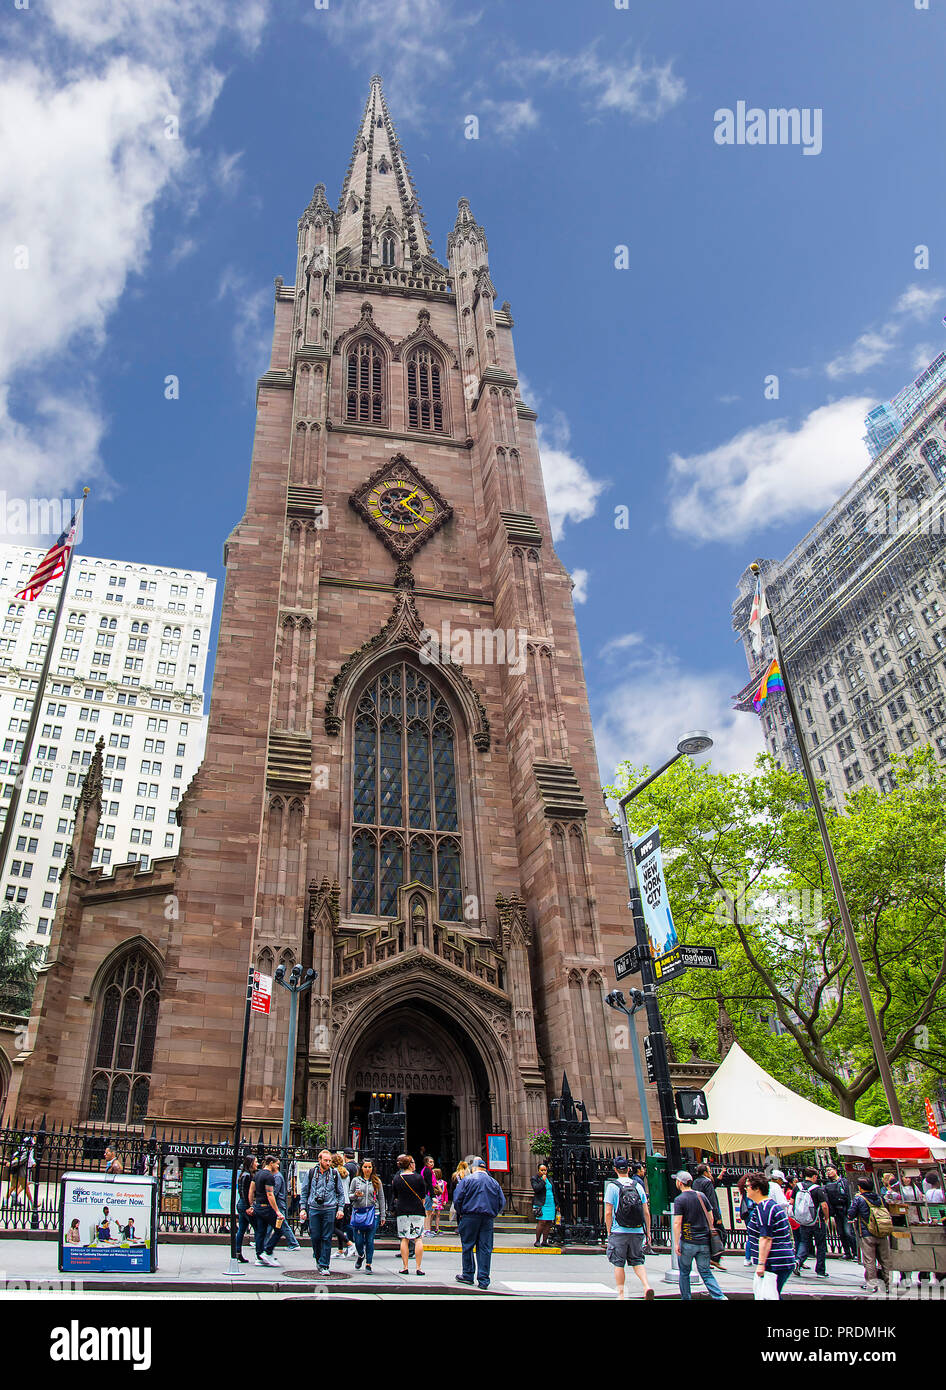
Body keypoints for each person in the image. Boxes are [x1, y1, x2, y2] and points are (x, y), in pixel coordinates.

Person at [671, 1170, 727, 1301]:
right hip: (704, 1242)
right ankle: (720, 1297)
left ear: (680, 1183)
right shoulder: (701, 1196)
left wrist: (676, 1243)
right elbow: (711, 1217)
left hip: (688, 1241)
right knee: (706, 1272)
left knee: (684, 1272)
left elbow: (677, 1222)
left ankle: (686, 1297)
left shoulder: (680, 1200)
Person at [604, 1157, 654, 1301]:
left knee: (618, 1263)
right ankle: (646, 1286)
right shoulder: (637, 1186)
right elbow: (646, 1211)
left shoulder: (613, 1187)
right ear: (628, 1169)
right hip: (637, 1230)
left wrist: (609, 1231)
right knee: (638, 1261)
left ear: (615, 1169)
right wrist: (648, 1232)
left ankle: (621, 1294)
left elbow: (608, 1212)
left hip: (619, 1231)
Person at [453, 1155, 506, 1290]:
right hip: (487, 1218)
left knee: (468, 1245)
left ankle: (468, 1274)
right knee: (485, 1248)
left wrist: (461, 1213)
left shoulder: (467, 1180)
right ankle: (483, 1279)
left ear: (474, 1168)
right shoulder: (494, 1182)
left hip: (470, 1216)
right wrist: (493, 1213)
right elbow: (502, 1201)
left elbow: (458, 1199)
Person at [745, 1172, 796, 1298]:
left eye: (748, 1186)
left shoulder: (765, 1208)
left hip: (775, 1261)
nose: (745, 1189)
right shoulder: (769, 1206)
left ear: (757, 1189)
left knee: (769, 1295)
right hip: (779, 1259)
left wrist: (761, 1264)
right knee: (772, 1294)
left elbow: (766, 1237)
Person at [299, 1150, 346, 1276]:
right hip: (314, 1208)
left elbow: (341, 1193)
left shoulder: (334, 1174)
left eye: (330, 1160)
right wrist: (303, 1208)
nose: (328, 1163)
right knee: (315, 1236)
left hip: (329, 1208)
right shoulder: (311, 1173)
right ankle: (319, 1260)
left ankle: (324, 1264)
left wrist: (340, 1209)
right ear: (319, 1160)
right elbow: (304, 1192)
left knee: (327, 1237)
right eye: (326, 1160)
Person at [850, 1176, 892, 1293]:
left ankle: (872, 1284)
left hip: (867, 1233)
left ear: (860, 1188)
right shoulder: (880, 1198)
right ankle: (888, 1285)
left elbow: (851, 1214)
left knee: (869, 1261)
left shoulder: (859, 1199)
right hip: (882, 1233)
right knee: (885, 1260)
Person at [392, 1153, 428, 1276]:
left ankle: (405, 1266)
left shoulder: (397, 1178)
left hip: (402, 1210)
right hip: (417, 1210)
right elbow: (423, 1195)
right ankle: (418, 1267)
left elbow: (395, 1195)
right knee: (418, 1239)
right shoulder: (418, 1178)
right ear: (410, 1164)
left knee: (404, 1239)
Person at [349, 1157, 386, 1272]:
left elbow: (381, 1198)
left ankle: (369, 1264)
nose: (367, 1169)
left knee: (370, 1240)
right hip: (359, 1211)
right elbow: (349, 1195)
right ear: (361, 1168)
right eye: (365, 1167)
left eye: (369, 1167)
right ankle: (361, 1255)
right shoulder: (356, 1180)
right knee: (358, 1240)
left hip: (373, 1212)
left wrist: (383, 1215)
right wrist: (355, 1195)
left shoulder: (376, 1181)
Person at [792, 1167, 829, 1278]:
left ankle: (798, 1260)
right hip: (817, 1221)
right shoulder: (817, 1189)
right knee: (820, 1245)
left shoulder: (797, 1187)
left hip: (803, 1221)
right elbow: (824, 1205)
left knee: (804, 1242)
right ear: (814, 1176)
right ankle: (820, 1271)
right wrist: (826, 1218)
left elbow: (791, 1202)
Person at [692, 1162, 725, 1269]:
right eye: (709, 1171)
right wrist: (717, 1216)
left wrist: (719, 1177)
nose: (711, 1173)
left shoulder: (696, 1182)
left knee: (706, 1236)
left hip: (699, 1213)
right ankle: (714, 1258)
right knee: (721, 1234)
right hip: (709, 1213)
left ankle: (706, 1259)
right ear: (705, 1173)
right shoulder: (707, 1182)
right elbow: (712, 1200)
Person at [251, 1154, 282, 1268]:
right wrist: (277, 1211)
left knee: (260, 1232)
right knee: (280, 1230)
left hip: (258, 1206)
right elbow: (270, 1194)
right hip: (267, 1208)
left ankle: (259, 1257)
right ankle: (267, 1252)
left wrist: (251, 1205)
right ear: (271, 1163)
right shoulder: (269, 1176)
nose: (277, 1167)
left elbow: (251, 1190)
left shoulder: (258, 1174)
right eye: (276, 1164)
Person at [265, 1162, 301, 1258]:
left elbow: (274, 1192)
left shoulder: (277, 1177)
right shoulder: (278, 1176)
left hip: (278, 1204)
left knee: (283, 1225)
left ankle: (293, 1243)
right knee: (272, 1225)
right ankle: (264, 1242)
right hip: (279, 1204)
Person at [824, 1165, 856, 1260]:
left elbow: (849, 1195)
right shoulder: (828, 1185)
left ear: (835, 1170)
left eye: (830, 1170)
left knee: (848, 1232)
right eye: (827, 1171)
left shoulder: (843, 1182)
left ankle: (855, 1252)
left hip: (845, 1210)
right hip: (836, 1211)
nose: (828, 1172)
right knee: (841, 1233)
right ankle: (847, 1252)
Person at [235, 1156, 258, 1264]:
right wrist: (250, 1206)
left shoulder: (243, 1175)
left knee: (242, 1229)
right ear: (251, 1163)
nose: (257, 1164)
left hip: (242, 1204)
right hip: (245, 1205)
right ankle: (260, 1253)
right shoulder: (247, 1176)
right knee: (258, 1229)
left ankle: (237, 1252)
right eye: (256, 1162)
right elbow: (245, 1192)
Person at [333, 1152, 354, 1258]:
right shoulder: (345, 1172)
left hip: (338, 1203)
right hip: (347, 1202)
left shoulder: (334, 1172)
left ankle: (349, 1243)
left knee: (332, 1226)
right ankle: (340, 1250)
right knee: (340, 1227)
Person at [531, 1162, 557, 1247]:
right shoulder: (535, 1179)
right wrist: (543, 1180)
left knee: (549, 1222)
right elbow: (536, 1189)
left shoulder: (550, 1179)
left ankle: (545, 1241)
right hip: (541, 1203)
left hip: (550, 1202)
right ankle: (537, 1240)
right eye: (542, 1170)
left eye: (545, 1170)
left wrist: (557, 1203)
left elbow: (554, 1191)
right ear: (538, 1171)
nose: (544, 1172)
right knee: (542, 1221)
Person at [421, 1154, 437, 1232]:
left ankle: (427, 1229)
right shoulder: (427, 1171)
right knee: (428, 1212)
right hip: (427, 1193)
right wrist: (433, 1196)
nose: (432, 1163)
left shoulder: (427, 1170)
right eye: (430, 1162)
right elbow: (429, 1184)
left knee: (429, 1212)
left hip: (427, 1193)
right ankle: (426, 1229)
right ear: (426, 1163)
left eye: (433, 1162)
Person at [430, 1168, 448, 1234]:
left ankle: (437, 1228)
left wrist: (445, 1200)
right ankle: (428, 1228)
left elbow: (445, 1192)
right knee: (431, 1213)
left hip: (439, 1199)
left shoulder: (443, 1182)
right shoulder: (431, 1181)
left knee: (438, 1214)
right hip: (433, 1199)